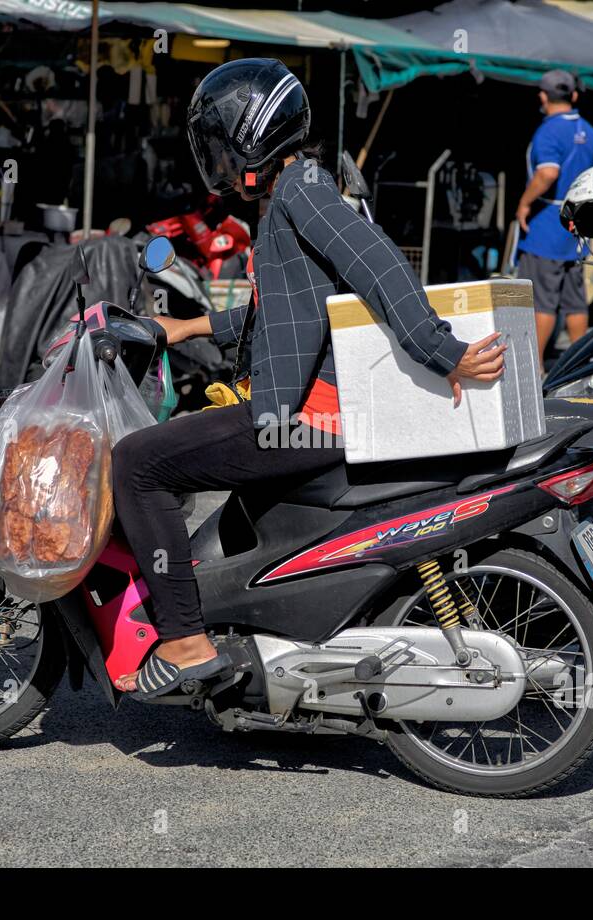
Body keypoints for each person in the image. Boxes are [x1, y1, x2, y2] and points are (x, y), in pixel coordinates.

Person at [111, 58, 506, 697]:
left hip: (300, 421)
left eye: (217, 144)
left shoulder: (303, 192)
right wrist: (186, 329)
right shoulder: (298, 191)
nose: (212, 161)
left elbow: (380, 265)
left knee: (137, 462)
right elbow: (289, 312)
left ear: (249, 136)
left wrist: (444, 350)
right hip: (305, 413)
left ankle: (184, 643)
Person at [514, 70, 593, 360]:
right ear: (574, 96)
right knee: (575, 301)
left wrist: (525, 203)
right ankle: (581, 363)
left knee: (541, 300)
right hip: (576, 225)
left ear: (543, 96)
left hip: (547, 226)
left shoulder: (548, 131)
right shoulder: (591, 133)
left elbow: (548, 172)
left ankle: (535, 366)